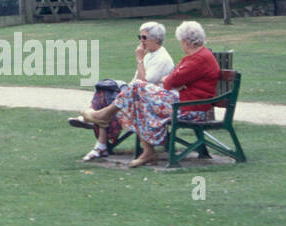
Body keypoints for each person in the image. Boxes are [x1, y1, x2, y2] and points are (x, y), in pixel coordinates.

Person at [79, 20, 218, 167]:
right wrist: (173, 81)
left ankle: (104, 115)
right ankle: (147, 151)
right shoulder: (197, 56)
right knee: (137, 95)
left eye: (180, 41)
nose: (181, 44)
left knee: (138, 88)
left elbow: (170, 82)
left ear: (185, 41)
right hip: (184, 104)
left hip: (189, 110)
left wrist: (172, 81)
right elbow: (173, 81)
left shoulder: (198, 59)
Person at [68, 21, 174, 161]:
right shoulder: (149, 55)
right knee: (105, 88)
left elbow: (142, 84)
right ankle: (98, 132)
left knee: (108, 97)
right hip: (137, 97)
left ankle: (96, 132)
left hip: (149, 102)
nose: (141, 41)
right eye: (140, 37)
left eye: (143, 37)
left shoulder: (162, 59)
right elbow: (134, 83)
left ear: (155, 39)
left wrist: (139, 59)